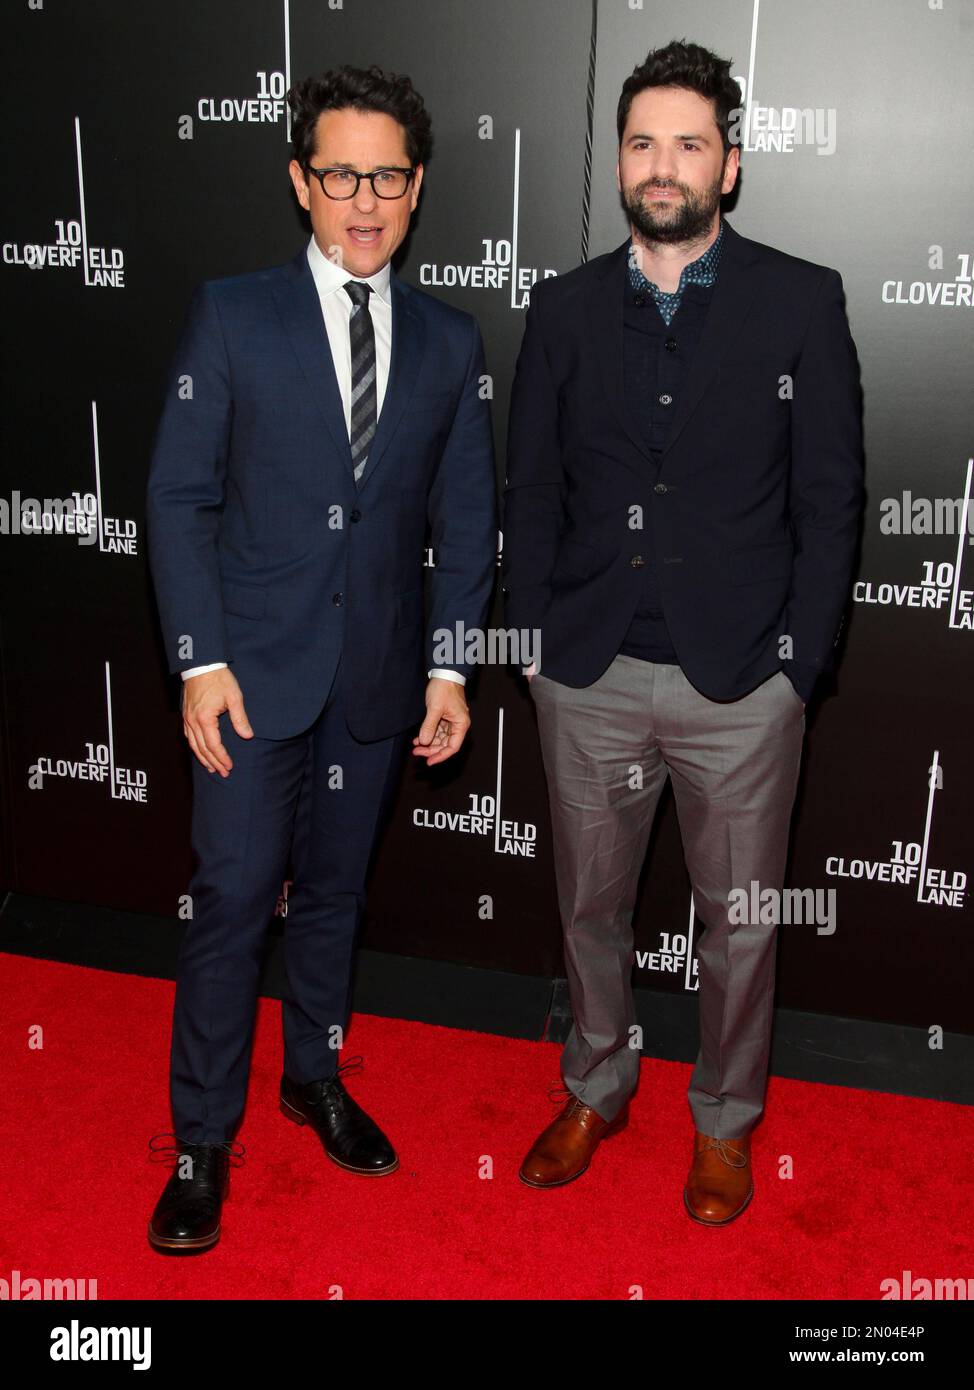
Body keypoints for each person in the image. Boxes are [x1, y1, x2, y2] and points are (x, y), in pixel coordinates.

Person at [502, 39, 863, 1222]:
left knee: (738, 931)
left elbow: (827, 498)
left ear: (732, 163)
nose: (663, 166)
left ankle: (723, 1120)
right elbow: (533, 491)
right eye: (642, 142)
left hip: (738, 686)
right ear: (618, 159)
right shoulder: (557, 308)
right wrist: (538, 644)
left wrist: (794, 668)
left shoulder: (799, 300)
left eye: (689, 143)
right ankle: (595, 1086)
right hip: (589, 669)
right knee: (589, 908)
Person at [145, 64, 497, 1252]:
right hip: (247, 679)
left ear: (416, 188)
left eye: (386, 175)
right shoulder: (233, 315)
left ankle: (313, 1077)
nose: (363, 199)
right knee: (235, 901)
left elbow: (466, 517)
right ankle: (201, 1139)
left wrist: (449, 669)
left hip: (376, 682)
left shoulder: (451, 342)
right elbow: (180, 494)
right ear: (300, 181)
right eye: (339, 173)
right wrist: (197, 659)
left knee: (336, 900)